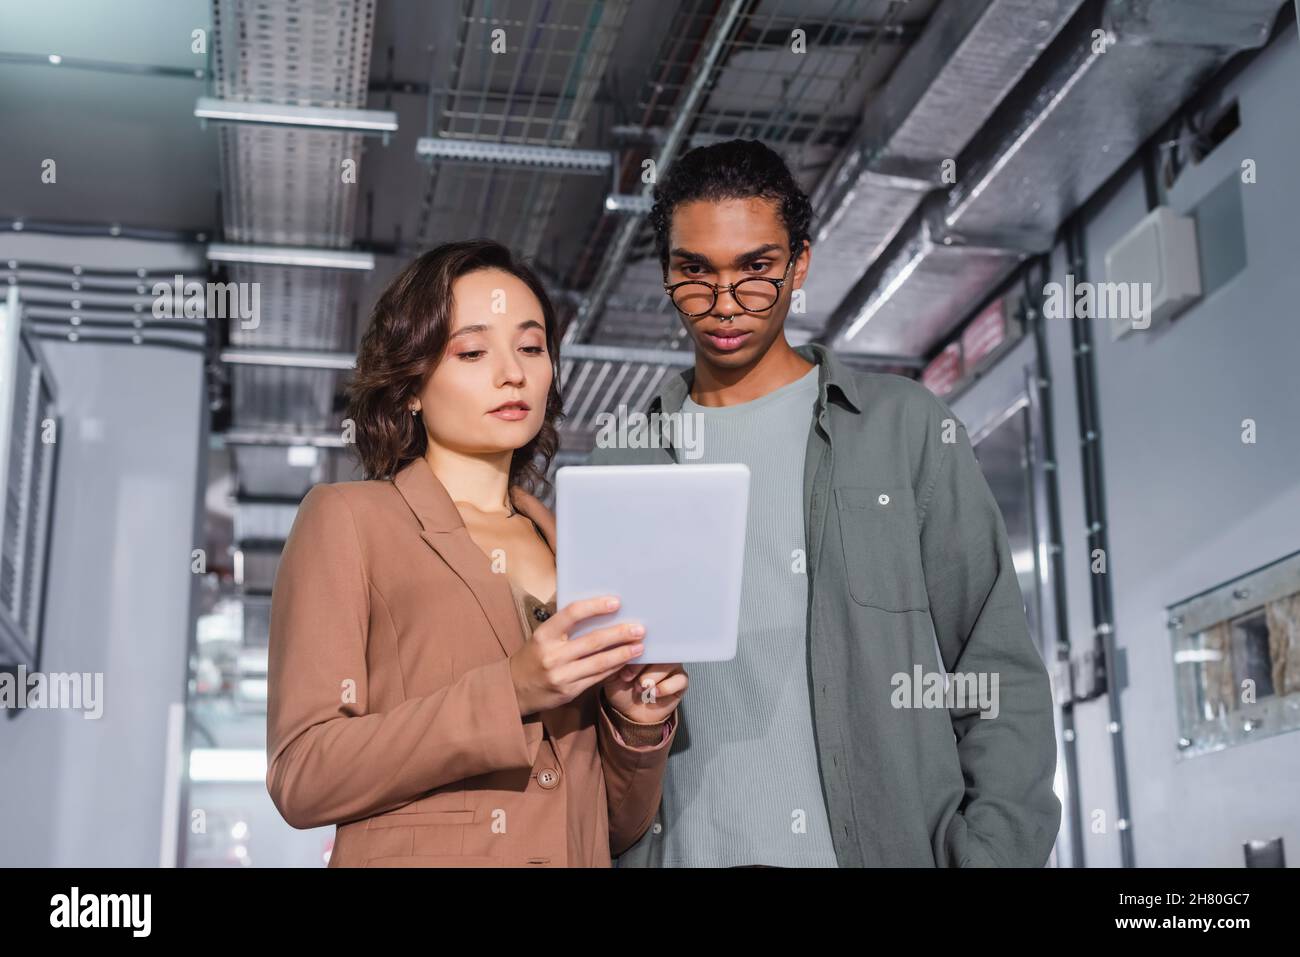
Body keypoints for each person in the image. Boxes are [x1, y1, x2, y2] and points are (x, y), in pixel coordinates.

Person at [589, 139, 1061, 867]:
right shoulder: (624, 462)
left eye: (756, 271)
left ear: (799, 263)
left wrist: (993, 851)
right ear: (666, 272)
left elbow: (994, 666)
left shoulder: (905, 431)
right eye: (695, 273)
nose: (724, 305)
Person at [266, 239, 685, 867]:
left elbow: (608, 829)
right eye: (471, 350)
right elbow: (302, 775)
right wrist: (509, 692)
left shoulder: (577, 545)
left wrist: (635, 724)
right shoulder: (350, 520)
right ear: (410, 385)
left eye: (531, 346)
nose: (511, 372)